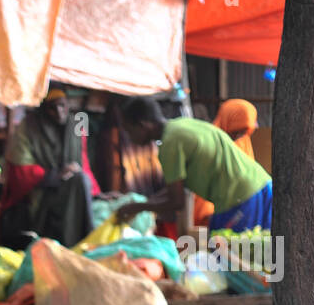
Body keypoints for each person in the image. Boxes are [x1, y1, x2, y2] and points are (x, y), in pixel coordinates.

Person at [116, 97, 272, 233]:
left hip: (240, 198)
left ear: (143, 125)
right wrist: (144, 203)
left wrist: (136, 208)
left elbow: (176, 201)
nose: (130, 138)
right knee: (261, 255)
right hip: (263, 186)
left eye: (129, 131)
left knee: (232, 259)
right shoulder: (183, 125)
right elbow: (176, 188)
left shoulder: (170, 144)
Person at [0, 89, 101, 246]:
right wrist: (55, 175)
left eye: (62, 106)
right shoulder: (28, 127)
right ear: (43, 109)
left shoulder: (77, 124)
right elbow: (21, 171)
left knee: (80, 181)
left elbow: (83, 162)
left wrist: (96, 192)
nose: (59, 112)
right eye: (52, 108)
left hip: (74, 186)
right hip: (42, 192)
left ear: (68, 105)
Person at [192, 99, 258, 228]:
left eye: (244, 131)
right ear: (227, 122)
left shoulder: (243, 143)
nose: (239, 135)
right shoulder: (209, 145)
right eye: (236, 130)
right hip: (212, 213)